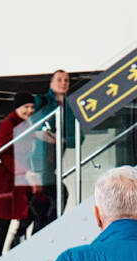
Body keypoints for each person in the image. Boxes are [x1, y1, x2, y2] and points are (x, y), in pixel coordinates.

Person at [0, 93, 35, 260]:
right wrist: (24, 172)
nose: (29, 110)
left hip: (16, 177)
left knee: (29, 211)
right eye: (26, 107)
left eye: (32, 107)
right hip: (3, 179)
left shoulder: (24, 124)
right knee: (3, 219)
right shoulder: (8, 124)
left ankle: (13, 245)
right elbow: (2, 152)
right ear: (17, 108)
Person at [26, 70, 79, 231]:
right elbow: (25, 125)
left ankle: (42, 233)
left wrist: (61, 139)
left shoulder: (69, 108)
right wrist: (38, 133)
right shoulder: (41, 102)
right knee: (57, 196)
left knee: (47, 204)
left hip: (52, 163)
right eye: (59, 80)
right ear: (51, 84)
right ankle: (46, 232)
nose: (63, 83)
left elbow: (77, 138)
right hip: (38, 161)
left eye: (66, 80)